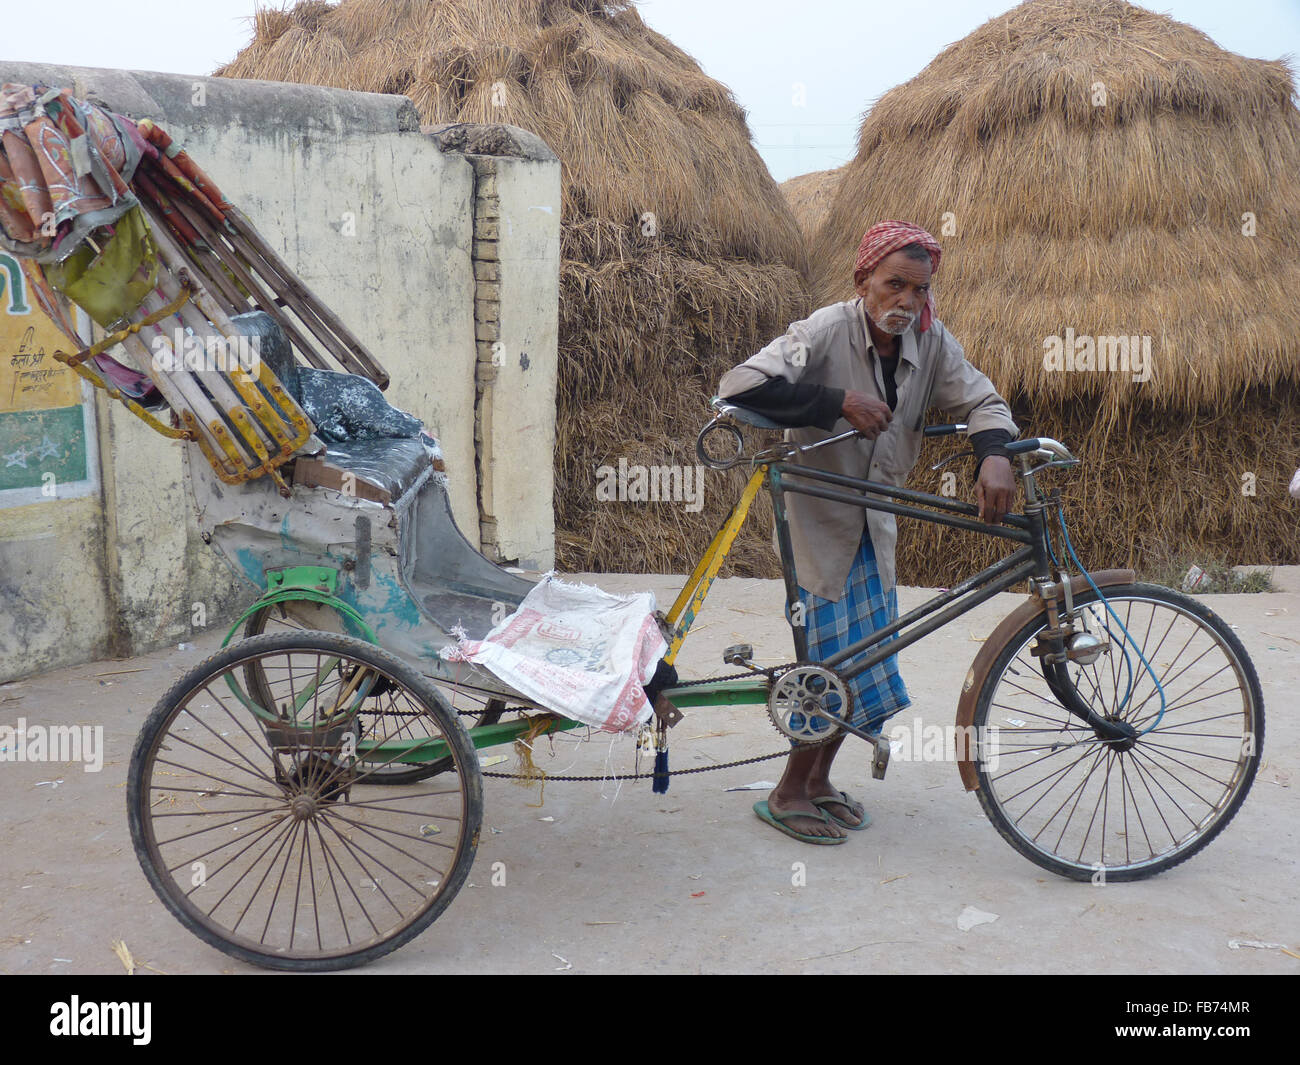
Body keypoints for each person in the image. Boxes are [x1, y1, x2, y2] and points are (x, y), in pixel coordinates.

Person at [717, 220, 1018, 844]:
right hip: (817, 522)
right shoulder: (826, 330)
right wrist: (835, 402)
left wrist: (995, 453)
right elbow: (738, 386)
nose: (907, 302)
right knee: (832, 663)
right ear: (864, 283)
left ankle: (819, 783)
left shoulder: (932, 344)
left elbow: (984, 401)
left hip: (875, 522)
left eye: (919, 290)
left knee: (868, 660)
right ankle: (786, 793)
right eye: (894, 286)